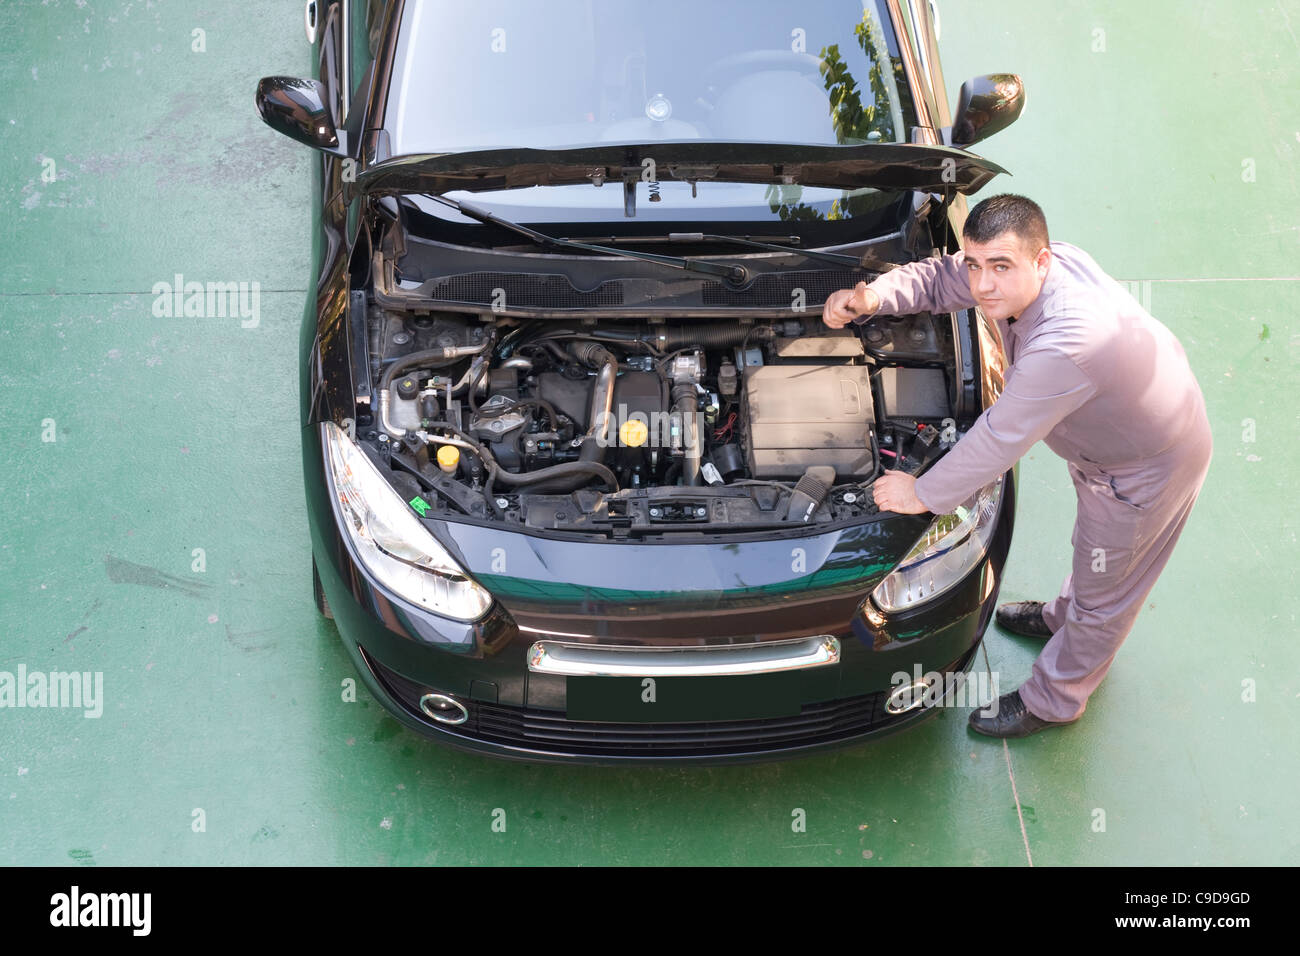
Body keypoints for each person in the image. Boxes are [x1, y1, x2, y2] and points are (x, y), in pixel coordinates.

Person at [822, 194, 1212, 738]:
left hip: (1143, 467)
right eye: (976, 264)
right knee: (1093, 552)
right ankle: (1058, 618)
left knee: (1107, 593)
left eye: (1000, 267)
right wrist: (873, 296)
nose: (983, 286)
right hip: (1105, 440)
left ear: (1042, 261)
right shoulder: (1028, 269)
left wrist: (922, 493)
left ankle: (1055, 700)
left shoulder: (1069, 342)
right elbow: (940, 280)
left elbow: (999, 440)